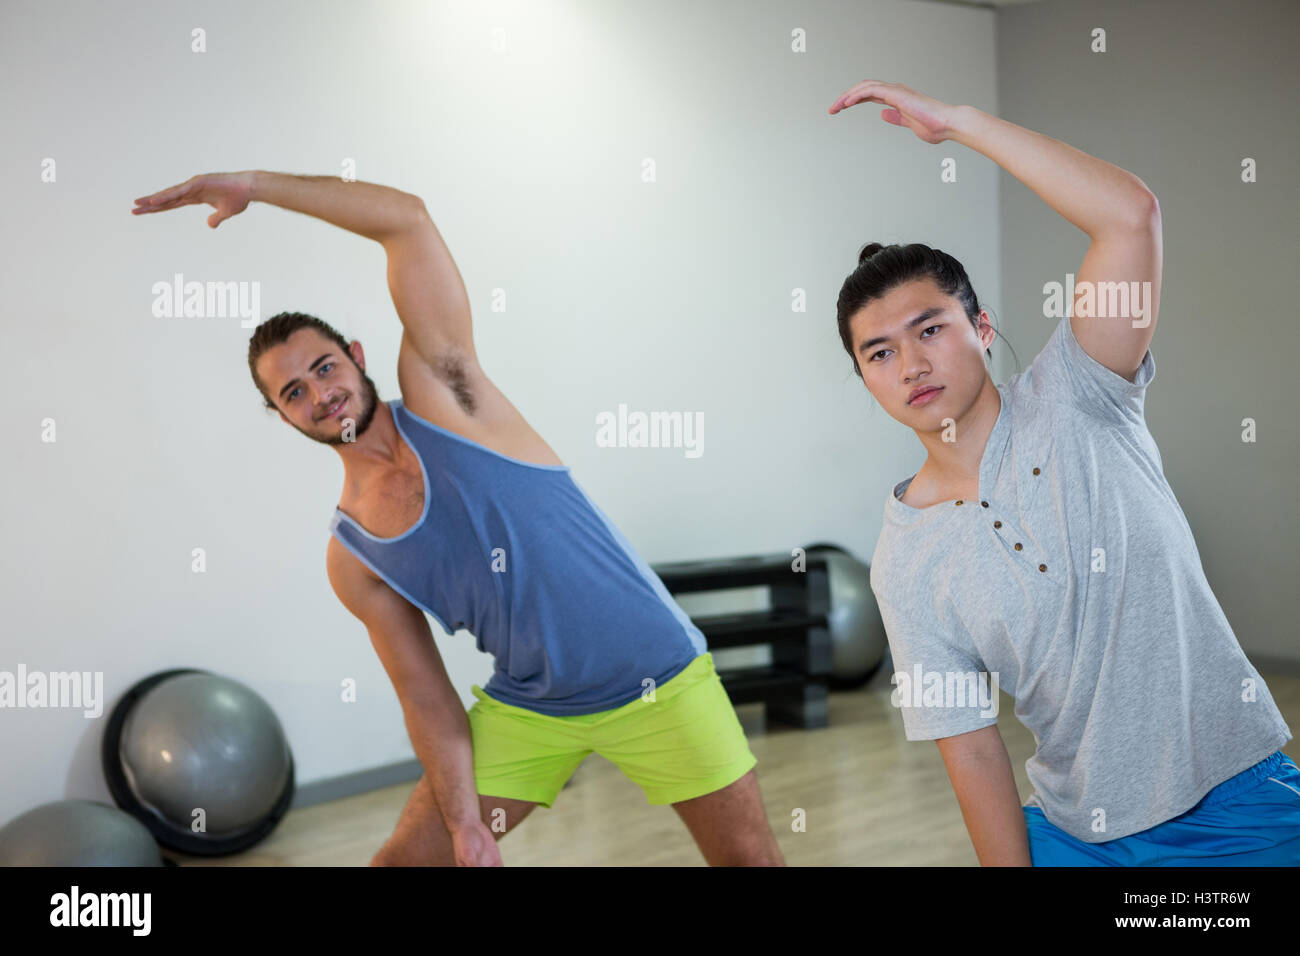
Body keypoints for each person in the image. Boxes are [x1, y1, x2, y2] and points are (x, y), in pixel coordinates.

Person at [131, 171, 785, 867]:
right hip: (535, 706)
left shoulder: (449, 396)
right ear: (282, 414)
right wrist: (466, 822)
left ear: (355, 356)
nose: (320, 395)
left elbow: (406, 221)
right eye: (294, 392)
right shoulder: (353, 556)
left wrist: (255, 186)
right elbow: (426, 696)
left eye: (324, 369)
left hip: (660, 676)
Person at [828, 81, 1299, 865]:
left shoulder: (1079, 392)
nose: (910, 363)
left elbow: (1128, 215)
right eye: (879, 353)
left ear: (980, 328)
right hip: (1083, 838)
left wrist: (962, 125)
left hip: (1240, 807)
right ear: (866, 378)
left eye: (930, 329)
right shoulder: (904, 560)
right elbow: (971, 746)